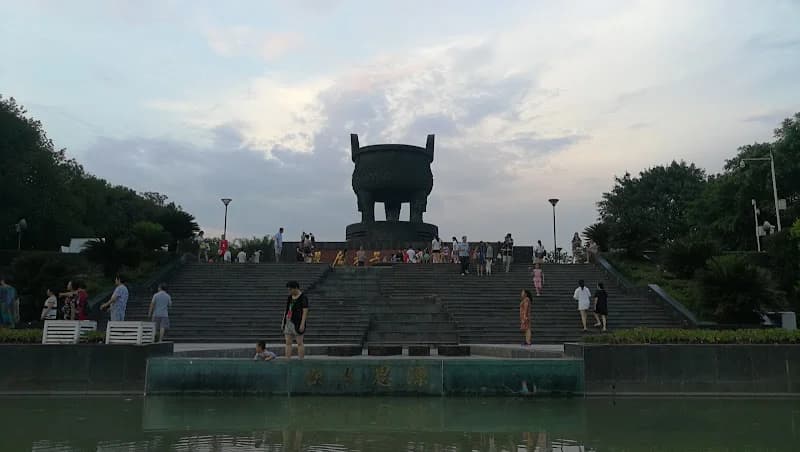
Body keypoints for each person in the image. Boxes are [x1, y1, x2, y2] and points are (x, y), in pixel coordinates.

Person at [282, 281, 309, 359]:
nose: (289, 291)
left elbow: (305, 311)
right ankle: (287, 359)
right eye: (289, 290)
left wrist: (302, 323)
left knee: (299, 342)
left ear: (296, 288)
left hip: (298, 321)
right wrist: (283, 320)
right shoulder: (290, 297)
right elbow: (287, 309)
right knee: (288, 342)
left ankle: (301, 360)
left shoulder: (303, 297)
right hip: (288, 321)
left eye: (290, 289)